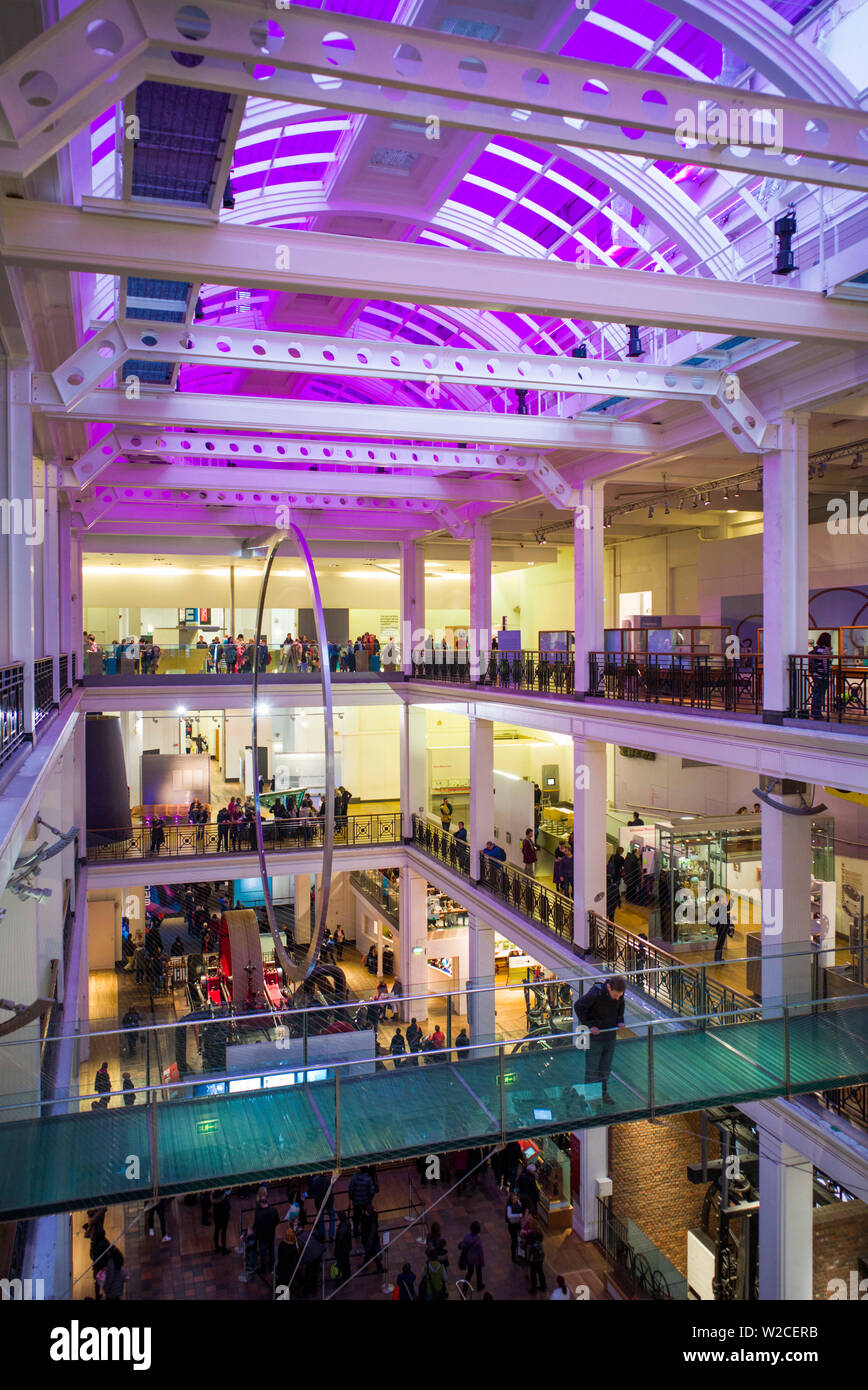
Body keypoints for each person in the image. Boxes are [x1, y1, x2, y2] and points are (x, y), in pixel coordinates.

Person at [574, 975, 627, 1104]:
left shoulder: (619, 994)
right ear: (609, 988)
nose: (617, 998)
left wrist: (620, 1021)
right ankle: (592, 1097)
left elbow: (621, 1007)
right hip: (595, 1037)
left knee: (605, 1067)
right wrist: (590, 1025)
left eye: (620, 995)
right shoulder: (595, 993)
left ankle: (603, 1092)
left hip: (609, 1034)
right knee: (593, 1067)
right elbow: (578, 1006)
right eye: (616, 995)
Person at [253, 1187, 279, 1276]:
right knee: (272, 1251)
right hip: (271, 1234)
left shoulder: (259, 1213)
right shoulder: (273, 1210)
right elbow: (277, 1221)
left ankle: (263, 1269)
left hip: (262, 1236)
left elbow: (256, 1225)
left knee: (263, 1253)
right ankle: (272, 1267)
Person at [809, 631, 833, 720]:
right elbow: (826, 664)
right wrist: (828, 675)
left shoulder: (816, 649)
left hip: (815, 675)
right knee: (820, 694)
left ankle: (814, 712)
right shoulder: (825, 650)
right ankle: (817, 714)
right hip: (822, 676)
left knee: (816, 694)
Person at [308, 1170, 336, 1243]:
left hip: (319, 1203)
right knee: (332, 1217)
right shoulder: (329, 1180)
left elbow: (310, 1192)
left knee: (321, 1219)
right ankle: (331, 1234)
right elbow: (332, 1187)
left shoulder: (315, 1181)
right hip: (329, 1202)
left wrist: (303, 1195)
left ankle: (322, 1234)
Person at [458, 1220, 485, 1292]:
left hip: (469, 1258)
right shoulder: (478, 1240)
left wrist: (460, 1245)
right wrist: (482, 1262)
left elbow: (462, 1245)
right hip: (477, 1259)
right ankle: (479, 1286)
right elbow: (480, 1253)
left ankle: (465, 1289)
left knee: (469, 1273)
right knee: (479, 1272)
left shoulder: (467, 1236)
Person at [348, 1168, 376, 1237]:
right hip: (365, 1201)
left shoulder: (354, 1178)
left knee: (356, 1217)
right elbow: (372, 1190)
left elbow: (350, 1189)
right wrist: (369, 1198)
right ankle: (365, 1230)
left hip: (356, 1201)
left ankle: (356, 1232)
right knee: (366, 1216)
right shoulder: (368, 1178)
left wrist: (352, 1197)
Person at [274, 1226, 299, 1293]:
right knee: (288, 1284)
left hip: (281, 1267)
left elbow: (279, 1256)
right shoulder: (293, 1247)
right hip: (290, 1269)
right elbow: (296, 1258)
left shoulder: (282, 1244)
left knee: (280, 1284)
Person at [525, 1222, 547, 1295]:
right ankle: (543, 1286)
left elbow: (528, 1244)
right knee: (540, 1271)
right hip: (540, 1255)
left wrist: (524, 1235)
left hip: (533, 1257)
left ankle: (533, 1290)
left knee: (533, 1273)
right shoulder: (540, 1233)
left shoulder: (531, 1235)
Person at [713, 891, 735, 963]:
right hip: (721, 927)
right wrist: (731, 898)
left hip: (722, 927)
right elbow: (728, 908)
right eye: (722, 899)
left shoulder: (719, 906)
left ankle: (718, 958)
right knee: (720, 943)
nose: (724, 900)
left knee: (720, 943)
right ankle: (717, 959)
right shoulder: (720, 907)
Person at [333, 1211, 352, 1284]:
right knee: (346, 1262)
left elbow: (340, 1236)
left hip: (342, 1248)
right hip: (345, 1247)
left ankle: (344, 1278)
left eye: (337, 1218)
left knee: (343, 1263)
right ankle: (347, 1275)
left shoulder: (343, 1225)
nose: (336, 1219)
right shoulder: (346, 1223)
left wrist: (337, 1227)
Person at [505, 1189, 523, 1262]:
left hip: (517, 1225)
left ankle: (519, 1254)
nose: (516, 1199)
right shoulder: (509, 1207)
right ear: (511, 1200)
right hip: (512, 1226)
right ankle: (513, 1257)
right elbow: (509, 1216)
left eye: (516, 1198)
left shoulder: (518, 1203)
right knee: (514, 1241)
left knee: (518, 1240)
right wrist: (518, 1215)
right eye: (514, 1198)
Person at [212, 1188, 231, 1254]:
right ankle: (224, 1249)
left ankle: (217, 1248)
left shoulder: (213, 1194)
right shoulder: (224, 1197)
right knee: (223, 1232)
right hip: (223, 1217)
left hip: (216, 1216)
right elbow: (228, 1207)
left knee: (216, 1231)